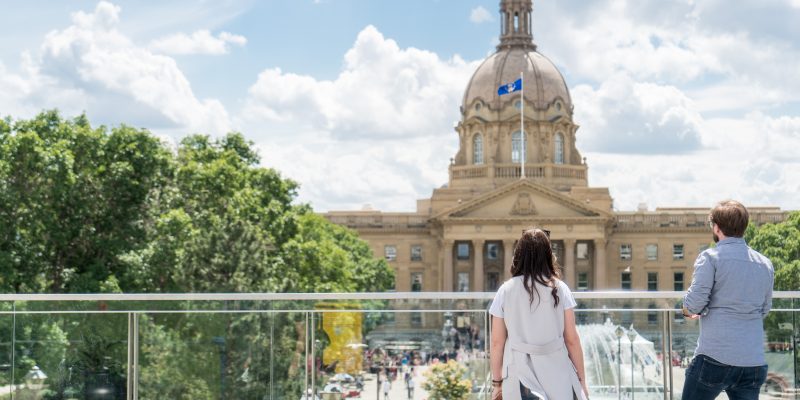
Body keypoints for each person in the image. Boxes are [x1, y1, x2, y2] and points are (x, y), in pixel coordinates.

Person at [681, 200, 774, 400]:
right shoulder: (765, 263)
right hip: (752, 361)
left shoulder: (711, 257)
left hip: (715, 358)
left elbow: (693, 304)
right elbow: (765, 309)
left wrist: (688, 311)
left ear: (716, 227)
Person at [489, 228, 589, 400]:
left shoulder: (505, 290)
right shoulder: (560, 288)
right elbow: (572, 339)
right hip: (557, 369)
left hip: (519, 373)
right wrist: (582, 382)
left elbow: (497, 342)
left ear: (518, 254)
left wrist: (497, 383)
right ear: (549, 255)